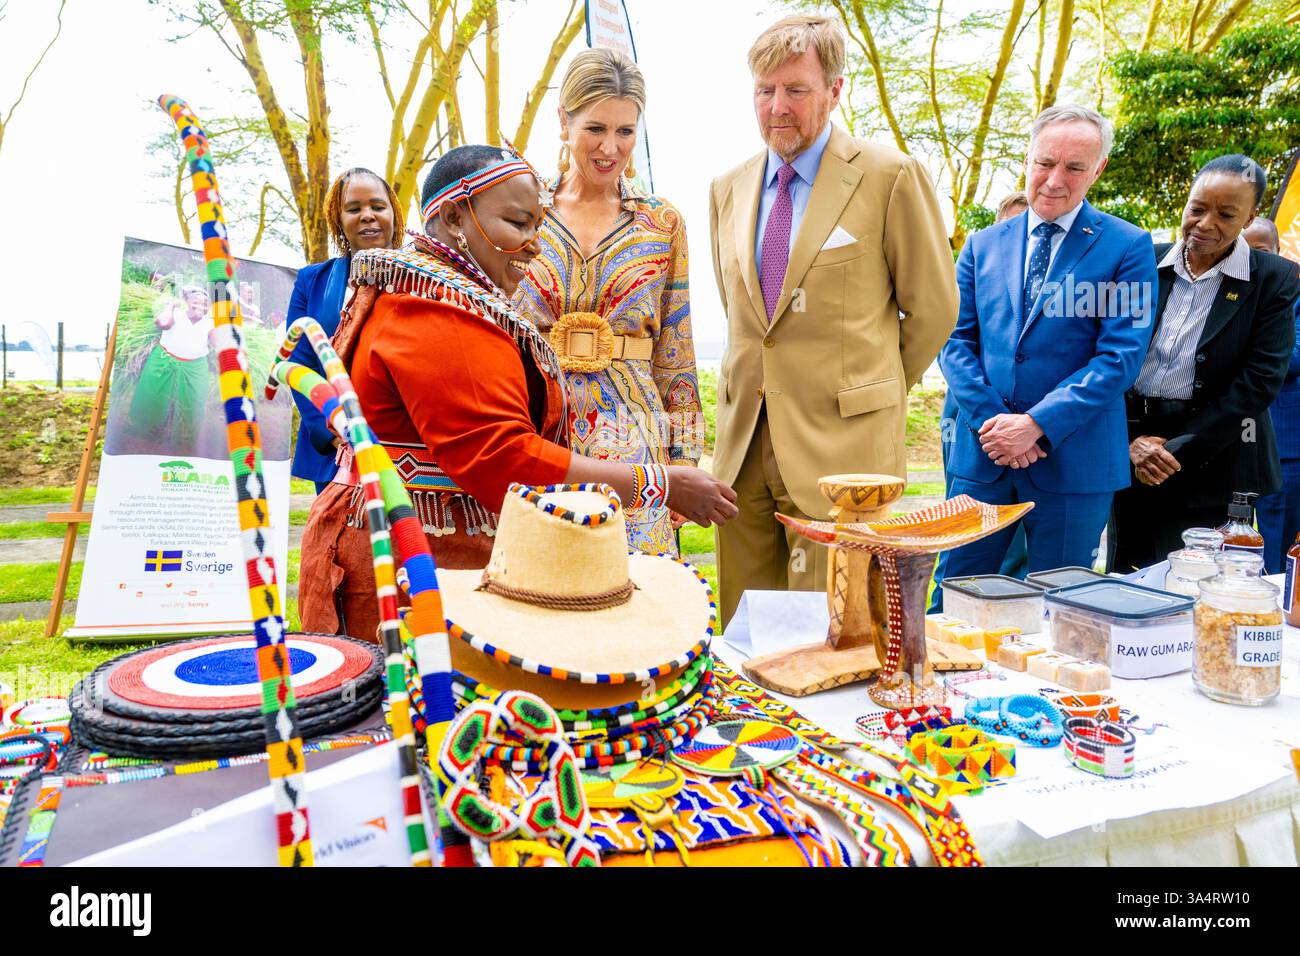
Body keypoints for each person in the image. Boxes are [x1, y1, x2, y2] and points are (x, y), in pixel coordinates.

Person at [298, 144, 736, 643]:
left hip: (417, 556)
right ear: (453, 216)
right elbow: (503, 459)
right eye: (518, 223)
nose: (535, 244)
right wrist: (659, 484)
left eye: (538, 226)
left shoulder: (439, 297)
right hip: (407, 571)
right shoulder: (436, 312)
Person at [709, 15, 957, 629]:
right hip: (744, 445)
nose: (776, 107)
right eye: (764, 91)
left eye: (795, 90)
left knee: (841, 630)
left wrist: (872, 387)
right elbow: (746, 318)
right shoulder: (727, 187)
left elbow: (934, 308)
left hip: (847, 447)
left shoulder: (890, 175)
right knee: (745, 630)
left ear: (835, 90)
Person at [935, 105, 1159, 589]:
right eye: (1045, 163)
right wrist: (998, 425)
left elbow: (1120, 357)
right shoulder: (980, 245)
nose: (1055, 180)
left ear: (1097, 170)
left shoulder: (1128, 246)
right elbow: (954, 341)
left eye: (1075, 167)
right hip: (983, 457)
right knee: (955, 600)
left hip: (1074, 467)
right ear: (1026, 159)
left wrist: (1037, 425)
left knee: (1061, 609)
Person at [514, 48, 703, 555]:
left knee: (640, 599)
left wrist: (682, 463)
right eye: (596, 128)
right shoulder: (522, 211)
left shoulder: (661, 224)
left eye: (625, 131)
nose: (610, 148)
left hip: (634, 442)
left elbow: (676, 352)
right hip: (536, 431)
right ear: (563, 121)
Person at [1112, 156, 1299, 570]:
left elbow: (1259, 382)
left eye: (1226, 214)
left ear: (1250, 217)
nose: (1205, 223)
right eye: (1197, 208)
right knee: (1128, 580)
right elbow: (1106, 355)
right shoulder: (1142, 263)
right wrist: (1132, 444)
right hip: (1131, 452)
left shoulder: (1274, 278)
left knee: (1197, 588)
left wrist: (1174, 450)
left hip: (1215, 461)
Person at [935, 192, 1031, 606]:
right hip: (973, 423)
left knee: (1021, 551)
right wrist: (996, 421)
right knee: (958, 534)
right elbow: (955, 341)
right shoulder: (977, 264)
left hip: (1039, 436)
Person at [287, 167, 404, 493]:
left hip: (402, 447)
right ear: (339, 219)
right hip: (334, 447)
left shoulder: (420, 279)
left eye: (377, 207)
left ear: (393, 213)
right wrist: (332, 428)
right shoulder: (312, 281)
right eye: (354, 209)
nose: (367, 216)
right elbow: (300, 363)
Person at [1244, 217, 1300, 572]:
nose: (1253, 262)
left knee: (1278, 554)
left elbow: (1292, 357)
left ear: (1279, 252)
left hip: (1283, 448)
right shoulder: (1218, 292)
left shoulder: (1296, 293)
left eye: (1261, 252)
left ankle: (1274, 625)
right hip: (1227, 447)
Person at [128, 284, 213, 447]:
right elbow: (163, 324)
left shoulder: (209, 323)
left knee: (193, 400)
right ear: (186, 302)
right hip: (164, 360)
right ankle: (148, 429)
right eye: (196, 302)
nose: (200, 306)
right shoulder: (176, 314)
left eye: (204, 304)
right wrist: (171, 306)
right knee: (154, 394)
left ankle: (185, 435)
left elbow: (217, 341)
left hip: (194, 368)